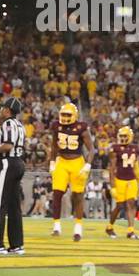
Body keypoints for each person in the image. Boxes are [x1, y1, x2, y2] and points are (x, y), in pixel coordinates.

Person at [0, 96, 27, 253]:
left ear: (8, 110)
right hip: (18, 163)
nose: (1, 110)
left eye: (3, 108)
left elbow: (8, 145)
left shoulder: (8, 124)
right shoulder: (19, 124)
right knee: (14, 206)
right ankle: (17, 244)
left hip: (7, 163)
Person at [49, 101, 90, 240]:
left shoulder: (81, 127)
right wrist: (52, 161)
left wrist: (88, 164)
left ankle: (78, 228)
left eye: (68, 115)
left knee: (78, 195)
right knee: (57, 194)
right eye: (63, 114)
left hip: (77, 162)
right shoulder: (56, 125)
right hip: (61, 161)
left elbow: (92, 149)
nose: (65, 117)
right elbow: (54, 145)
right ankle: (56, 226)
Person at [105, 124, 139, 241]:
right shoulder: (115, 148)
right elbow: (112, 168)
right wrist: (113, 185)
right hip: (120, 179)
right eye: (121, 136)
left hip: (131, 180)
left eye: (125, 136)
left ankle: (131, 231)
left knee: (131, 203)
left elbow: (136, 165)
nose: (123, 138)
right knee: (119, 206)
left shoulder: (135, 148)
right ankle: (109, 227)